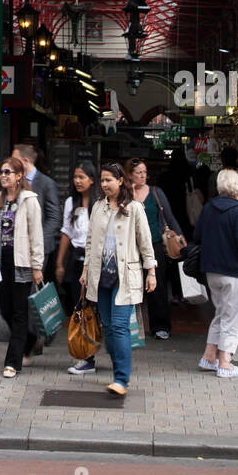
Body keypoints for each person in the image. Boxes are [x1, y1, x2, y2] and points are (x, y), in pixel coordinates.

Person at [80, 161, 156, 398]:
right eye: (102, 181)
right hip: (101, 276)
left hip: (125, 276)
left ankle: (121, 378)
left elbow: (145, 242)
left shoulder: (134, 208)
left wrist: (151, 271)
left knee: (121, 326)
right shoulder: (98, 208)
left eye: (108, 180)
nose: (104, 185)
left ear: (120, 181)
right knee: (108, 326)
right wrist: (85, 271)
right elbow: (90, 241)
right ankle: (117, 369)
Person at [0, 155, 44, 377]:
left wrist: (37, 265)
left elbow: (37, 234)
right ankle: (30, 338)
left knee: (19, 312)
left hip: (22, 262)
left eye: (8, 172)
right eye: (1, 172)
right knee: (5, 309)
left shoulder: (29, 200)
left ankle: (12, 362)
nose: (3, 176)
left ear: (19, 176)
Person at [193, 168, 238, 378]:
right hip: (236, 271)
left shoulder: (209, 207)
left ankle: (208, 356)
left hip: (212, 270)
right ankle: (225, 362)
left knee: (221, 313)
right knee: (233, 318)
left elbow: (197, 235)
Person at [128, 158, 185, 340]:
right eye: (138, 172)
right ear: (129, 175)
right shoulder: (125, 195)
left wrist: (180, 236)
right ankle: (130, 326)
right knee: (130, 286)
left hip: (154, 245)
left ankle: (160, 326)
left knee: (157, 286)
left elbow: (168, 216)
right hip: (130, 246)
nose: (143, 176)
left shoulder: (155, 192)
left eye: (145, 172)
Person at [14, 142, 61, 354]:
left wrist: (38, 240)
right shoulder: (13, 182)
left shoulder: (46, 183)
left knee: (35, 294)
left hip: (40, 249)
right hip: (17, 248)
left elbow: (54, 216)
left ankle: (37, 337)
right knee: (22, 295)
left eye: (14, 159)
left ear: (25, 161)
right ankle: (32, 336)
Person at [55, 162, 101, 311]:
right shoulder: (71, 203)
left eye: (82, 177)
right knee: (77, 302)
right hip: (76, 258)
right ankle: (82, 334)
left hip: (96, 259)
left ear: (92, 180)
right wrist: (60, 264)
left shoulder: (100, 203)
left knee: (96, 303)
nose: (77, 181)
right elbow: (67, 232)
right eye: (75, 177)